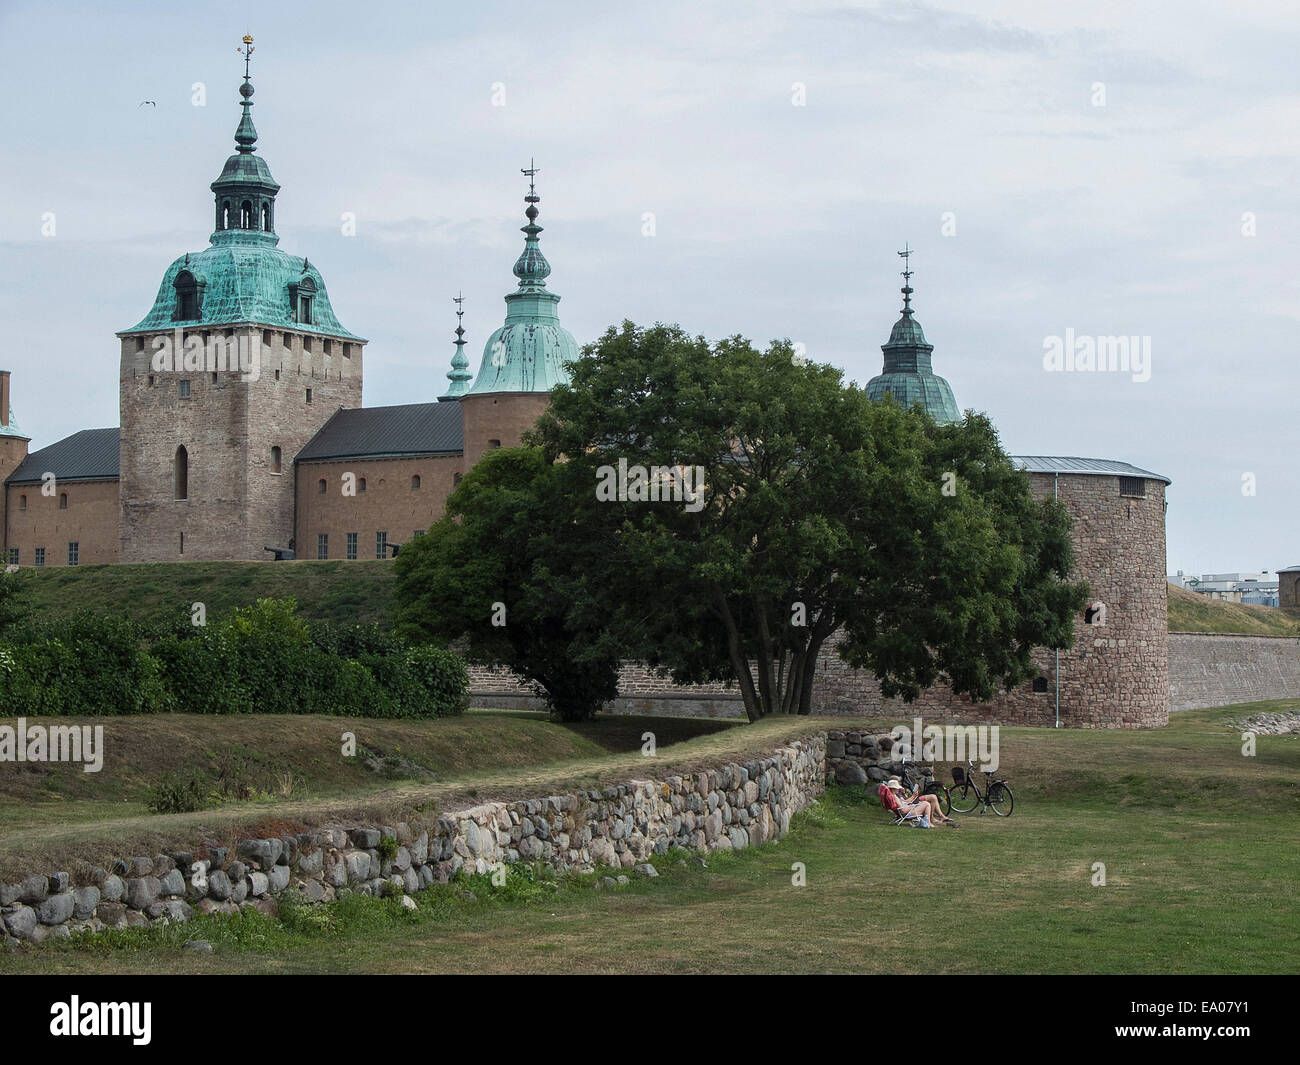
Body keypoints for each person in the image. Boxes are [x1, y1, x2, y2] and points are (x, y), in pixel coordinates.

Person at [884, 777, 958, 826]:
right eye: (898, 784)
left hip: (908, 807)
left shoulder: (895, 795)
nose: (900, 784)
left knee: (929, 801)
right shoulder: (895, 797)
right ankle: (928, 822)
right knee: (927, 803)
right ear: (893, 788)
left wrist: (904, 794)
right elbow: (903, 810)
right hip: (908, 811)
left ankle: (929, 821)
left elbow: (904, 803)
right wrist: (913, 804)